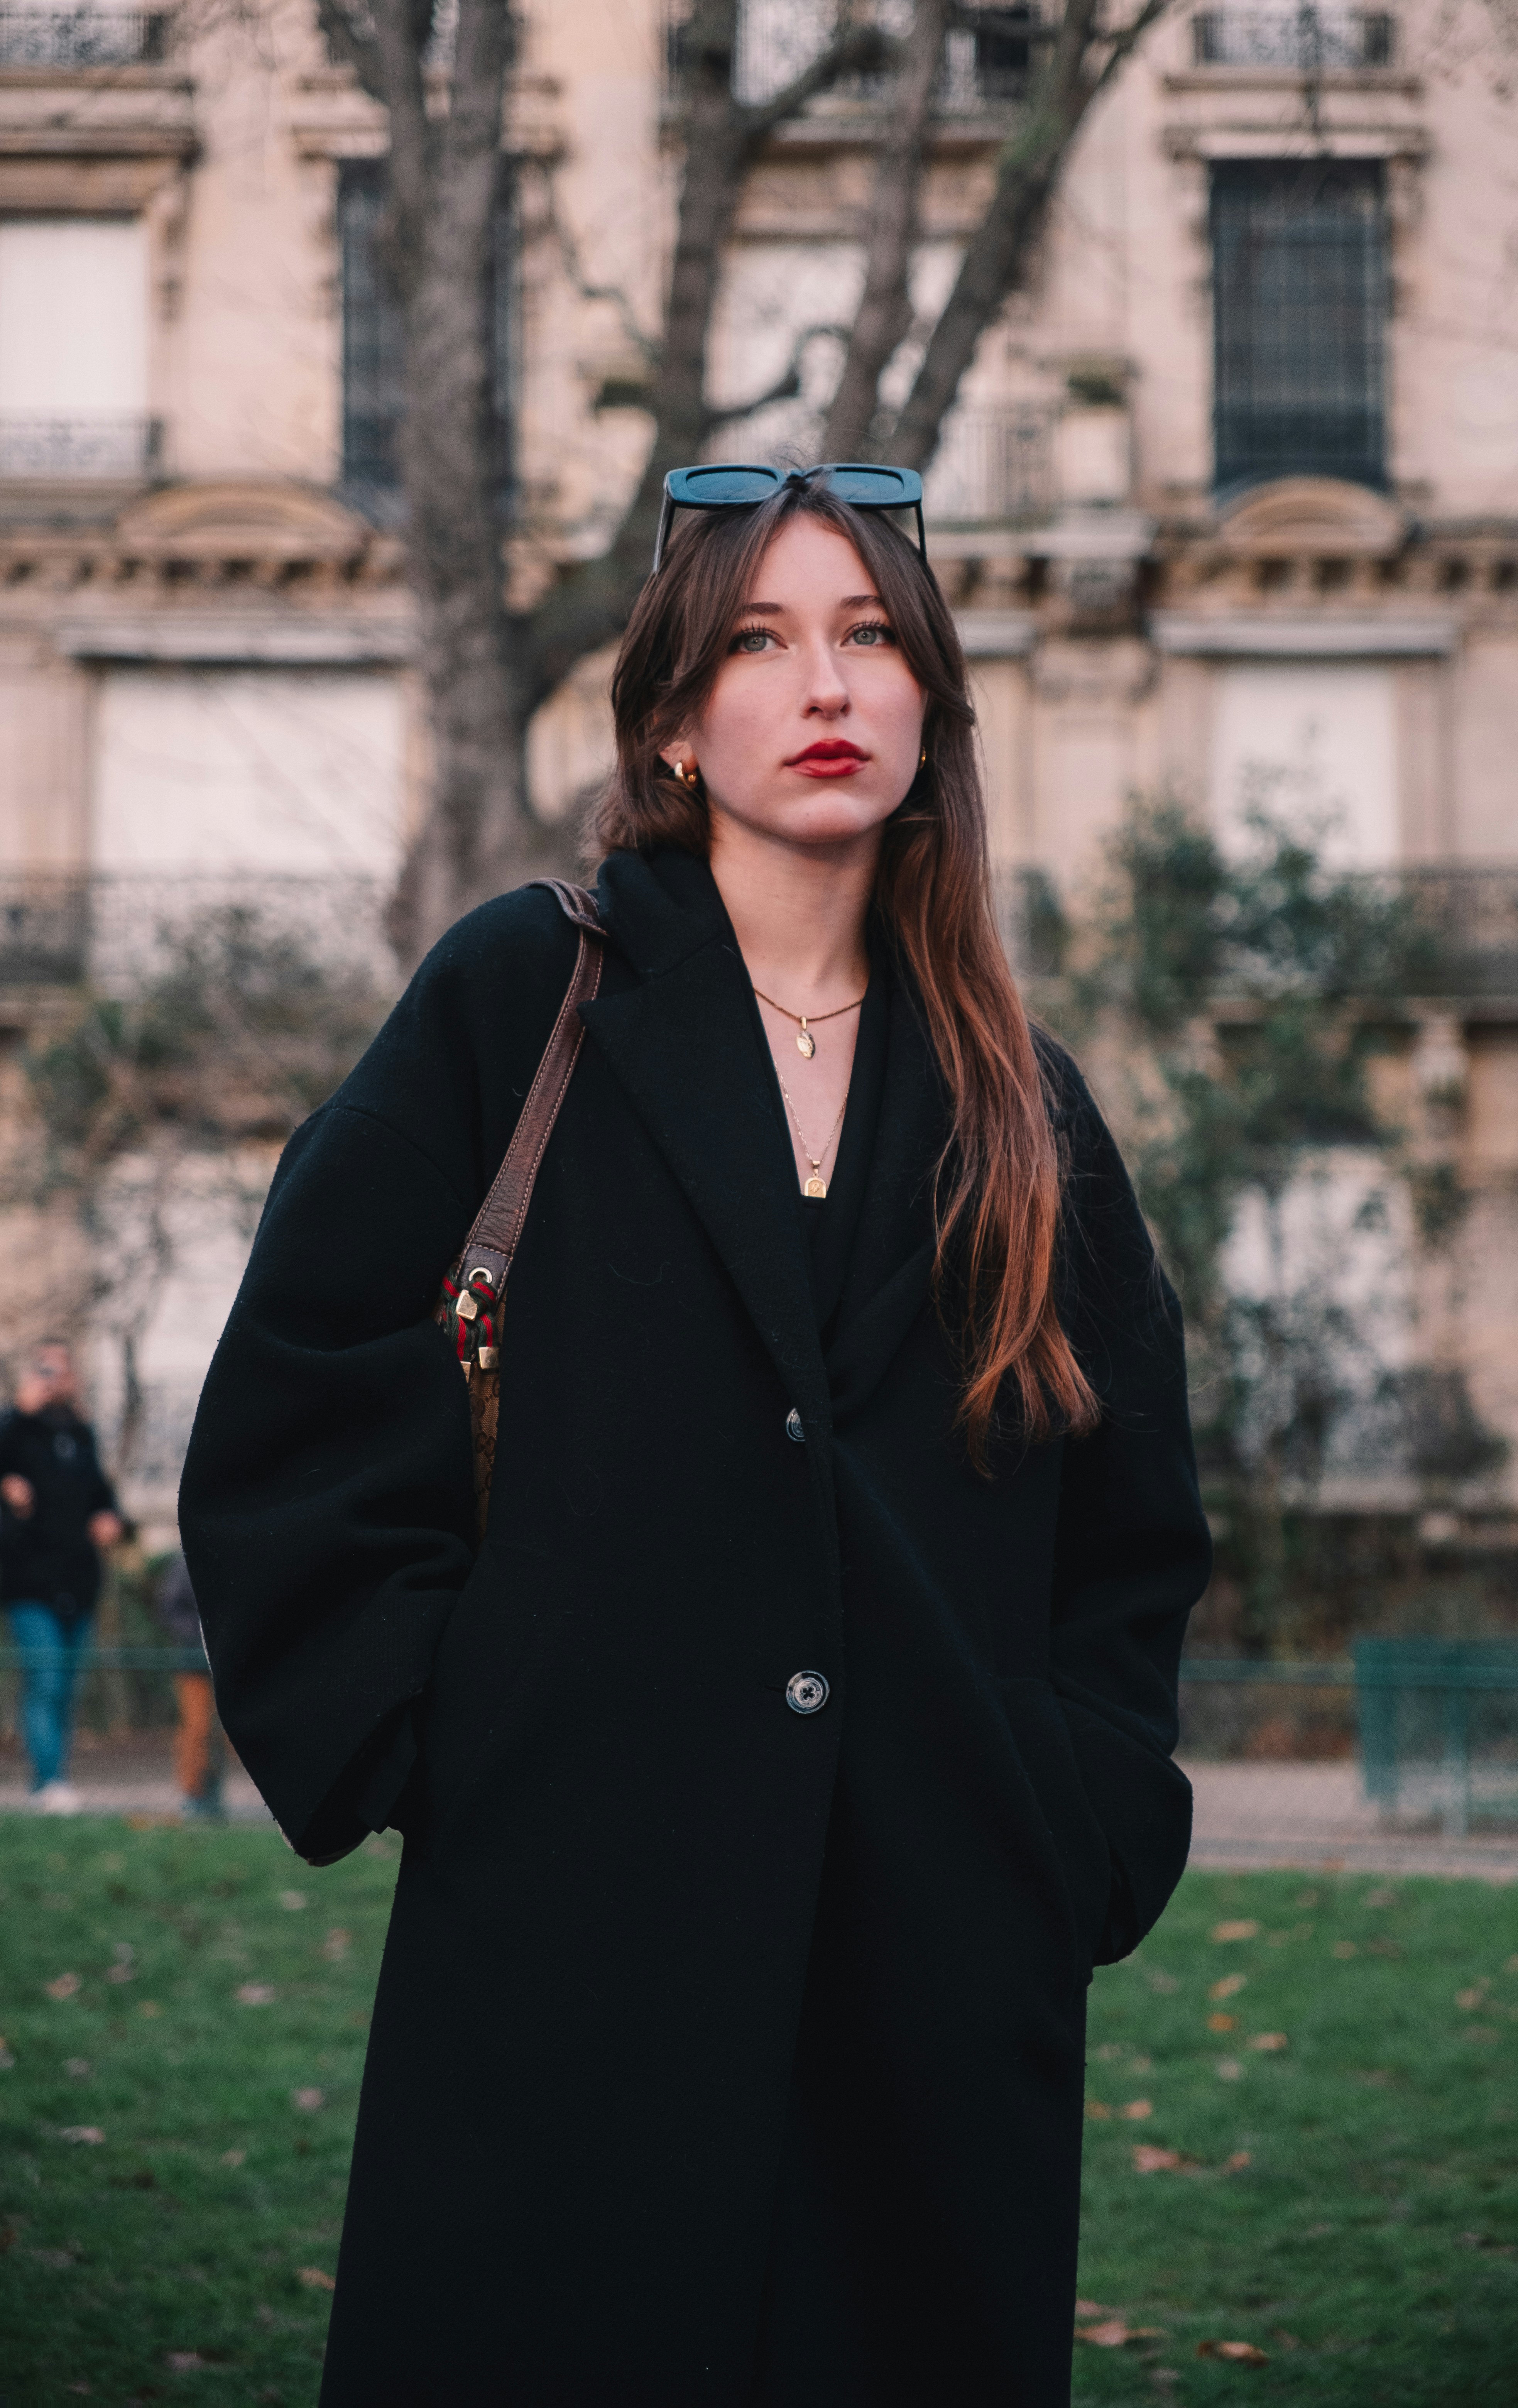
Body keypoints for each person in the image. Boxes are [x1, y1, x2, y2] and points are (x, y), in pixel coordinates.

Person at [179, 465, 1211, 2406]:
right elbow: (295, 1395)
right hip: (566, 1964)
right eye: (756, 641)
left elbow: (1130, 1529)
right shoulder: (524, 999)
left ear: (930, 710)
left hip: (930, 2010)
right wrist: (445, 1740)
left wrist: (1069, 1831)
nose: (822, 682)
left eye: (868, 636)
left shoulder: (1021, 1100)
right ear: (673, 719)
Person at [0, 1339, 127, 1814]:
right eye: (45, 1368)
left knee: (68, 1686)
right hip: (30, 1584)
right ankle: (46, 1782)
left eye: (63, 1368)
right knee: (46, 1679)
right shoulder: (14, 1431)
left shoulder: (81, 1435)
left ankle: (57, 1777)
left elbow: (102, 1495)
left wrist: (110, 1518)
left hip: (79, 1581)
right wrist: (17, 1412)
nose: (56, 1377)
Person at [150, 1552, 224, 1821]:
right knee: (197, 1727)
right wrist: (201, 1634)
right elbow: (170, 1608)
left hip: (234, 1661)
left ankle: (218, 1794)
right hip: (195, 1661)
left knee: (229, 1733)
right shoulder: (187, 1562)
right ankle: (194, 1794)